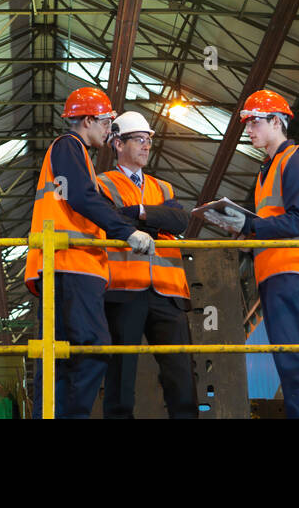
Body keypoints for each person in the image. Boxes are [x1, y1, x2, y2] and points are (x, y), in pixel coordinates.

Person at [202, 90, 299, 419]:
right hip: (279, 275)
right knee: (291, 366)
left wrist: (250, 225)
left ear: (277, 122)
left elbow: (298, 221)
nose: (248, 130)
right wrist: (246, 229)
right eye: (247, 123)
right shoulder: (268, 170)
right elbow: (277, 223)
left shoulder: (298, 160)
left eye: (254, 122)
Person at [25, 87, 156, 418]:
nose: (108, 129)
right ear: (87, 120)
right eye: (106, 121)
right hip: (71, 265)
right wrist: (126, 232)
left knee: (63, 356)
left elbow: (83, 196)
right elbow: (81, 197)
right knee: (93, 349)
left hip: (69, 267)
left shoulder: (74, 155)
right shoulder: (68, 147)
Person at [95, 110, 197, 419]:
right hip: (124, 290)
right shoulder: (102, 185)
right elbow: (111, 219)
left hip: (168, 292)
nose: (146, 146)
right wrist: (154, 217)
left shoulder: (163, 188)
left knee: (181, 377)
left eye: (149, 140)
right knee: (121, 379)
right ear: (117, 144)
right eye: (139, 140)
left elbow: (181, 219)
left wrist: (138, 211)